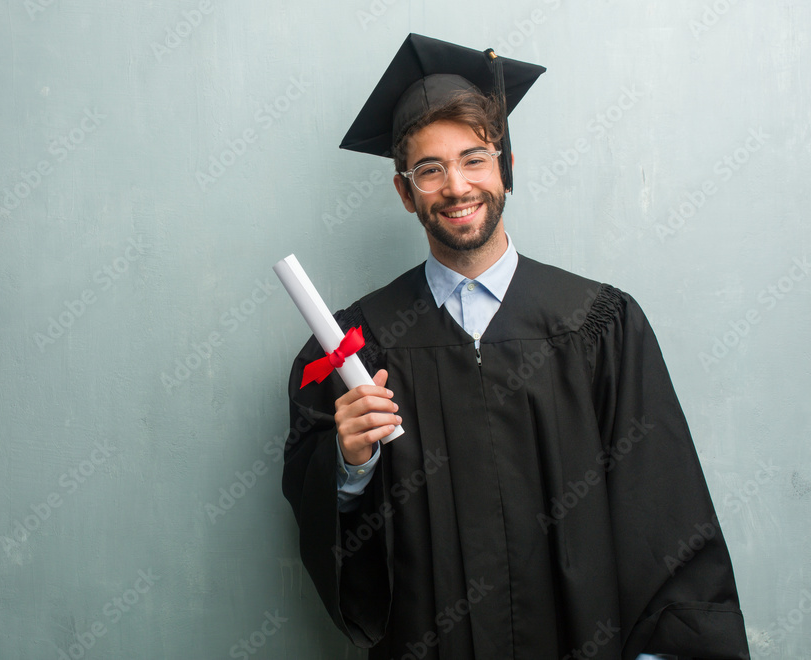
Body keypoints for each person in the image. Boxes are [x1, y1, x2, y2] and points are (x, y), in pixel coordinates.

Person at [281, 34, 749, 660]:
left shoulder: (599, 326)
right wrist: (349, 463)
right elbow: (322, 514)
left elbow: (662, 509)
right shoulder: (358, 349)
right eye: (429, 168)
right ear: (404, 192)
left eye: (474, 158)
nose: (456, 186)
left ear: (503, 166)